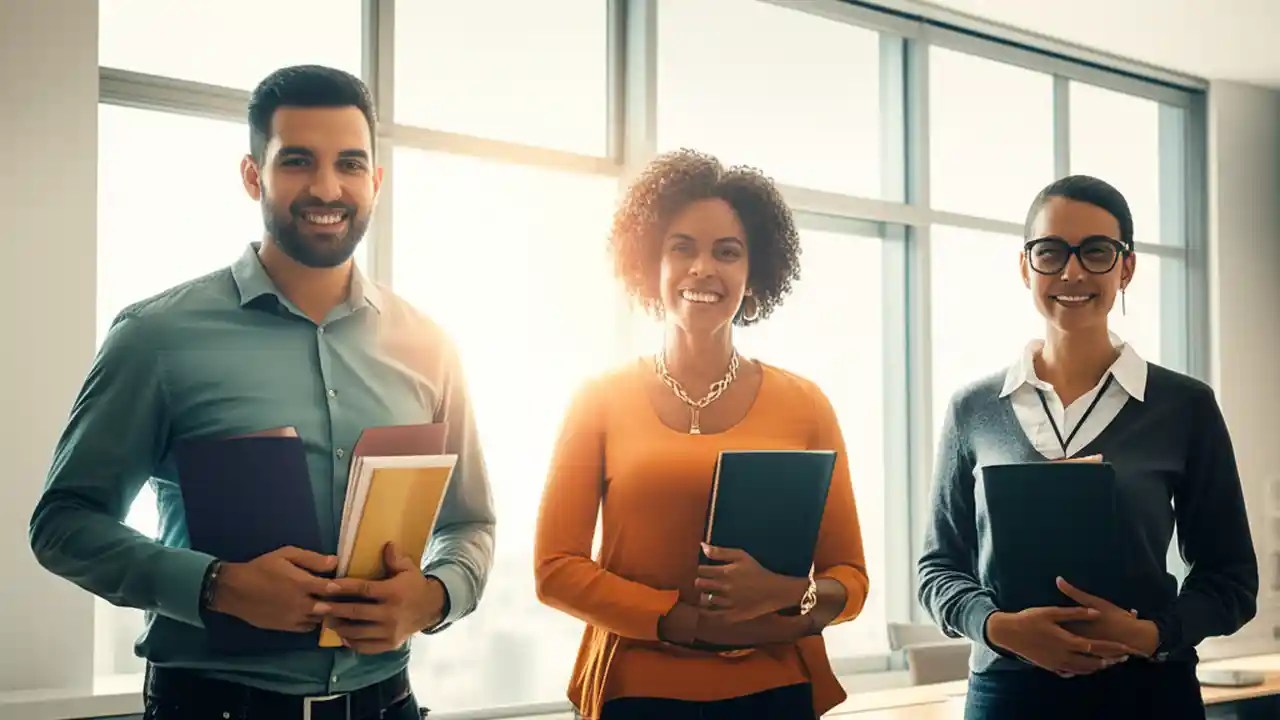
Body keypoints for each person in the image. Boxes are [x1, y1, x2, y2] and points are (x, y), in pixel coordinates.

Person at [29, 65, 495, 720]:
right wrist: (215, 586)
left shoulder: (432, 346)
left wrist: (435, 597)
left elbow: (470, 522)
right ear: (254, 175)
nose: (328, 188)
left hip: (387, 704)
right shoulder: (156, 336)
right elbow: (63, 525)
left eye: (351, 165)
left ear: (376, 182)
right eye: (298, 161)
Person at [533, 149, 870, 720]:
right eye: (681, 247)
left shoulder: (806, 404)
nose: (702, 269)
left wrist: (787, 593)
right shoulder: (598, 399)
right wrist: (681, 621)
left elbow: (851, 580)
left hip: (774, 690)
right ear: (648, 263)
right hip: (637, 692)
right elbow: (556, 569)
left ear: (754, 272)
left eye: (727, 252)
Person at [917, 175, 1258, 719]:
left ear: (1126, 267)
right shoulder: (972, 409)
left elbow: (1233, 580)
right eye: (1050, 252)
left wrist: (1149, 634)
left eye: (1096, 252)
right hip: (1008, 695)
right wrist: (998, 627)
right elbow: (937, 569)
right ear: (1025, 266)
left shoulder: (1184, 406)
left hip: (1149, 695)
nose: (1072, 272)